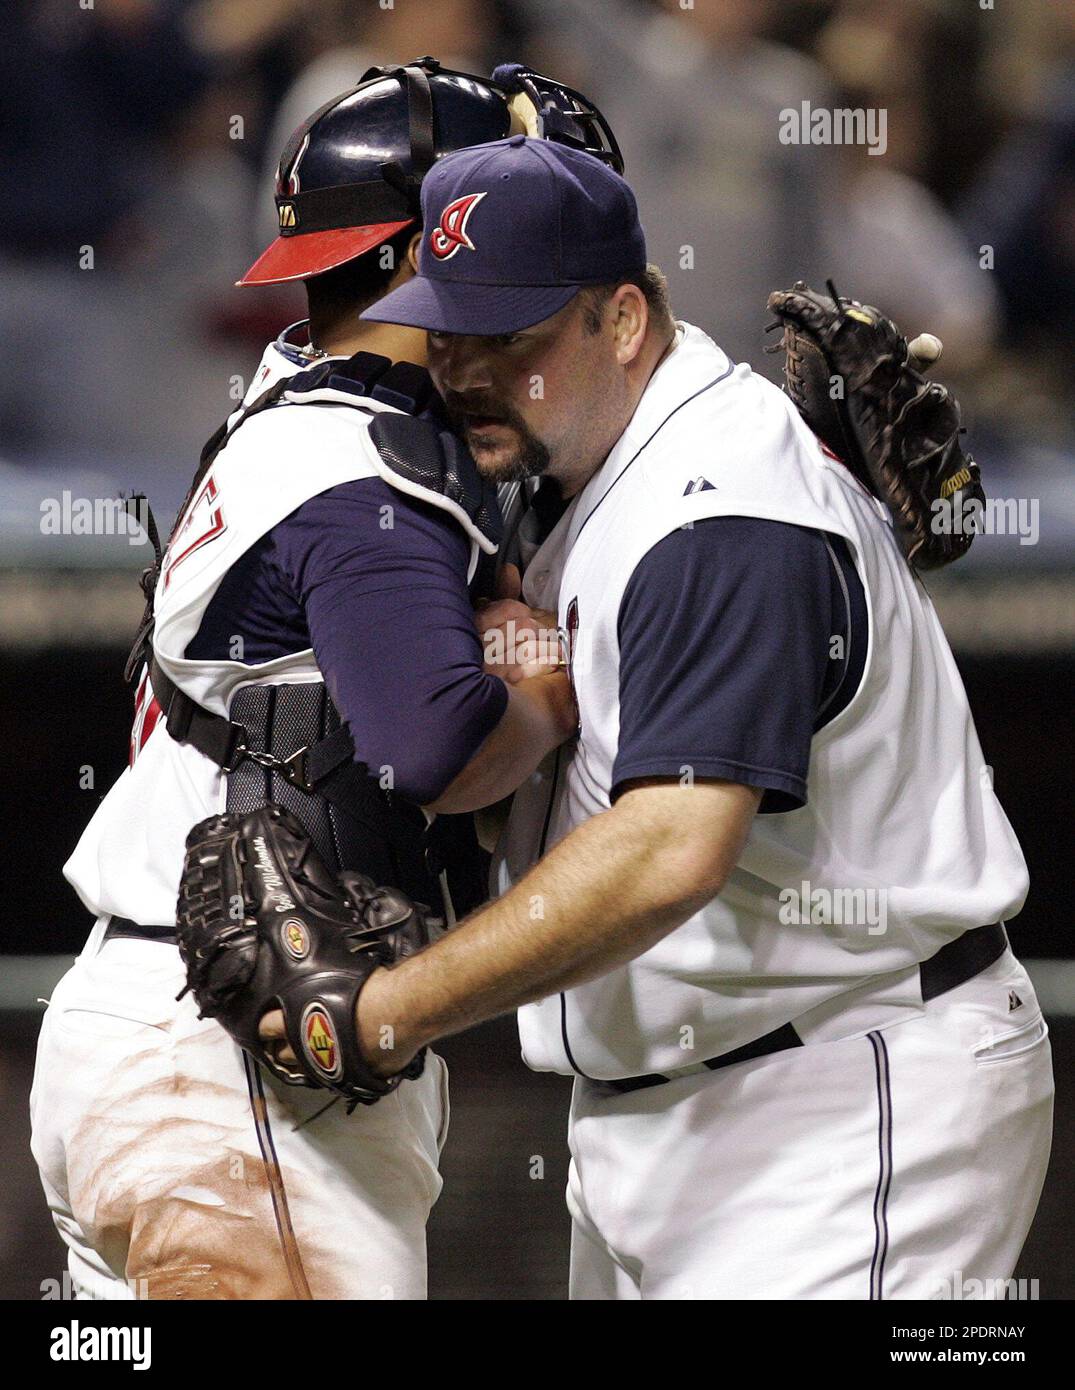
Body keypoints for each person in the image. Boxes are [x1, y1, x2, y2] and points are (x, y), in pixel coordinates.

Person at [264, 134, 1052, 1299]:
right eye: (450, 335)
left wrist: (389, 1010)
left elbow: (669, 849)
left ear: (622, 320)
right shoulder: (589, 463)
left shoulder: (719, 511)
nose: (469, 370)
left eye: (511, 336)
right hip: (675, 1108)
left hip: (839, 1098)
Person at [28, 62, 614, 1301]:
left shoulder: (301, 402)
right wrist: (551, 689)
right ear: (428, 248)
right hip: (234, 1069)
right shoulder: (362, 467)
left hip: (169, 1034)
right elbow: (437, 742)